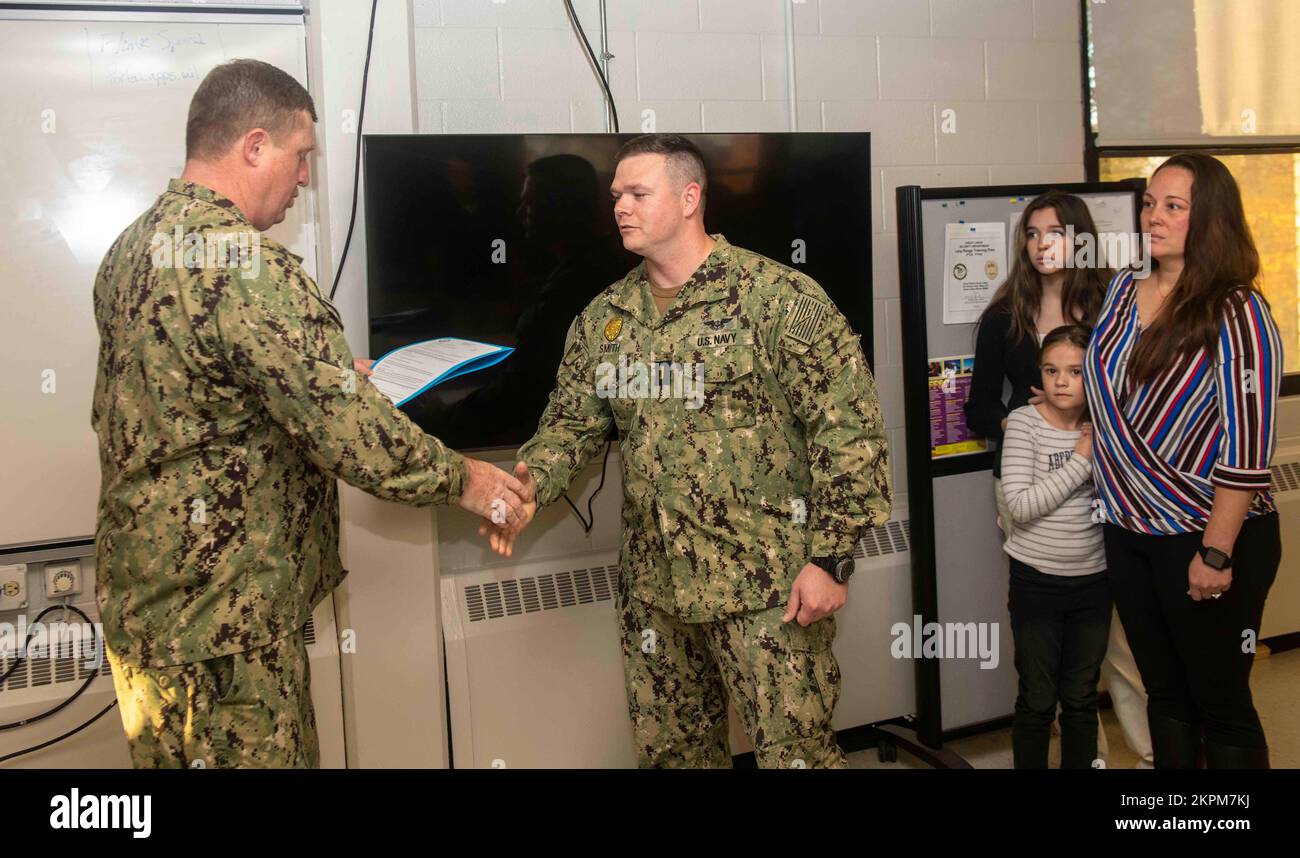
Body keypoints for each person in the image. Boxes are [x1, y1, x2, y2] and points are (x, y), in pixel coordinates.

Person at [91, 59, 531, 768]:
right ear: (254, 145)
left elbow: (190, 395)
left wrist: (320, 377)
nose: (305, 179)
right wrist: (471, 482)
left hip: (152, 604)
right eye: (301, 158)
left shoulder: (131, 249)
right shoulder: (244, 265)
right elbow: (354, 438)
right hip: (224, 620)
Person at [488, 133, 891, 767]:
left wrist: (832, 559)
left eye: (639, 193)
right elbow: (573, 424)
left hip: (766, 588)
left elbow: (850, 437)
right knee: (672, 757)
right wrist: (529, 483)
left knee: (797, 759)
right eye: (616, 193)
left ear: (689, 198)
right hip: (657, 593)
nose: (620, 205)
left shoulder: (779, 301)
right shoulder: (605, 318)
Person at [1085, 153, 1283, 768]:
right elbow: (1107, 391)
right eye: (1149, 203)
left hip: (1205, 536)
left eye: (1174, 206)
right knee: (1164, 695)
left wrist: (1216, 554)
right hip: (1128, 530)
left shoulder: (1238, 311)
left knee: (1219, 702)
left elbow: (1248, 449)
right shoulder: (1121, 287)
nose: (1154, 216)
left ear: (1212, 219)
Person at [965, 190, 1152, 766]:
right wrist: (1032, 425)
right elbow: (977, 407)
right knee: (1052, 653)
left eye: (1057, 232)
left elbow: (1140, 390)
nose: (1044, 243)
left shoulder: (1112, 306)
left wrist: (1089, 421)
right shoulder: (1003, 315)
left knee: (1117, 644)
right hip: (1029, 485)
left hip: (1107, 484)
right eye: (1032, 233)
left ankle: (1150, 756)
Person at [1000, 325, 1109, 768]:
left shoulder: (1107, 425)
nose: (1061, 381)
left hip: (1095, 582)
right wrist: (1082, 459)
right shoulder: (1025, 422)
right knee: (1038, 699)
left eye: (1074, 372)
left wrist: (1094, 444)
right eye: (1050, 370)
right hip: (1036, 581)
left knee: (1082, 699)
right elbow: (1021, 506)